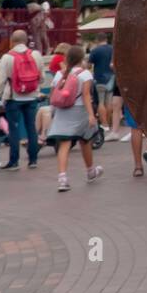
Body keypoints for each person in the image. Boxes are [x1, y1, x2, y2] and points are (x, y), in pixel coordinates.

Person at [49, 44, 103, 192]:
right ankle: (90, 171)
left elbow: (53, 94)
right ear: (81, 58)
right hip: (80, 111)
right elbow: (86, 95)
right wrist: (91, 114)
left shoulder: (60, 74)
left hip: (62, 111)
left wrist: (52, 110)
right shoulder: (85, 74)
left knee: (64, 144)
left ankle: (62, 178)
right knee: (85, 140)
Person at [0, 30, 45, 170]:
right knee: (31, 127)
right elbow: (41, 77)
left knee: (14, 128)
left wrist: (0, 96)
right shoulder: (36, 55)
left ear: (12, 41)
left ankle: (14, 161)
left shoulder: (7, 57)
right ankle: (33, 160)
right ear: (25, 40)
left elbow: (0, 81)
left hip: (14, 97)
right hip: (32, 96)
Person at [88, 34, 116, 134]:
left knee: (100, 102)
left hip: (99, 78)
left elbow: (89, 65)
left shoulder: (95, 50)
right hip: (112, 77)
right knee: (109, 102)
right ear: (106, 39)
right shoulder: (113, 49)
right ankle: (109, 122)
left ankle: (104, 124)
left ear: (97, 40)